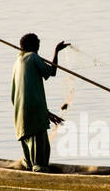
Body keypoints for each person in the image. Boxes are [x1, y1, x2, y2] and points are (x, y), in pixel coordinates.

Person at [11, 34, 69, 172]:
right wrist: (56, 51)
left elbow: (22, 95)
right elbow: (51, 72)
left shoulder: (17, 62)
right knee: (40, 162)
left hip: (20, 116)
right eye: (37, 45)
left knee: (29, 160)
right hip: (34, 115)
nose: (38, 48)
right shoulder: (33, 57)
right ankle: (40, 174)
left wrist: (46, 113)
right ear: (32, 47)